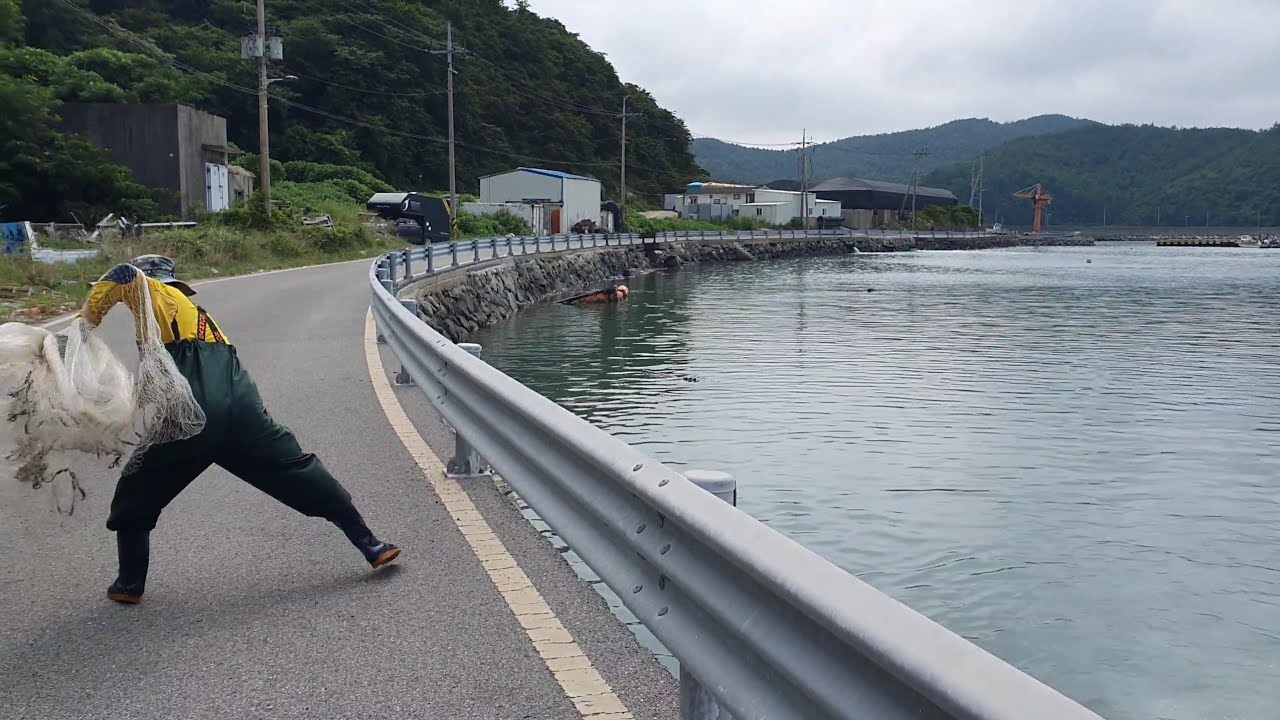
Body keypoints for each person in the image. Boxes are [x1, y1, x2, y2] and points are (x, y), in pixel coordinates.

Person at [82, 255, 400, 605]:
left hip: (195, 417)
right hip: (245, 414)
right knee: (300, 471)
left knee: (135, 491)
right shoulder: (201, 319)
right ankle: (371, 545)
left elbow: (126, 277)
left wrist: (88, 319)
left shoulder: (163, 300)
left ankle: (128, 585)